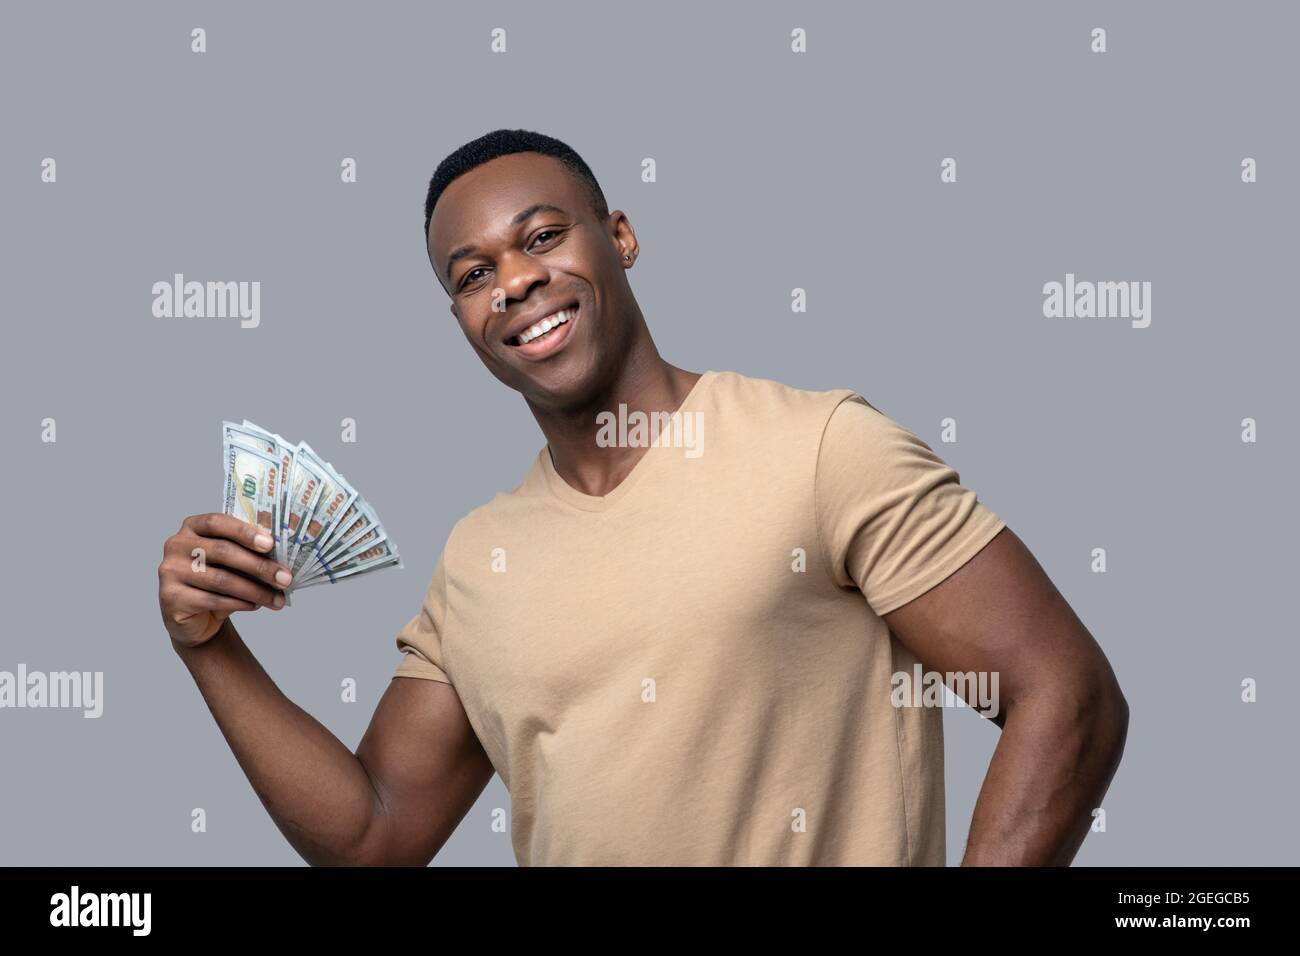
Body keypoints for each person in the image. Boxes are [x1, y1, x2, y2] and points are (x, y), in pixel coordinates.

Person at [157, 128, 1128, 866]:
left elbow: (1065, 691)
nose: (516, 280)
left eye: (541, 235)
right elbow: (374, 832)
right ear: (458, 316)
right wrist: (209, 644)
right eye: (473, 274)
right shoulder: (479, 557)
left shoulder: (820, 447)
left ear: (618, 237)